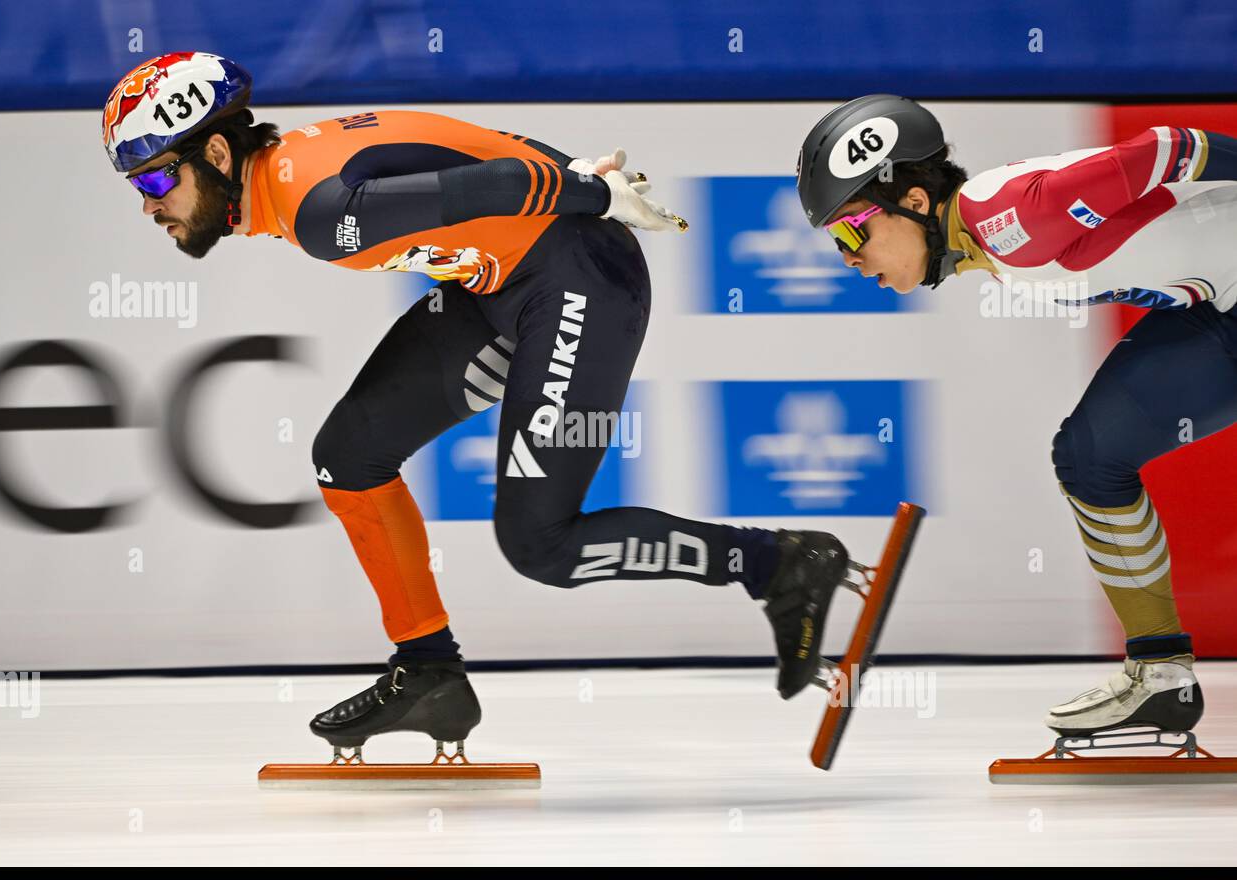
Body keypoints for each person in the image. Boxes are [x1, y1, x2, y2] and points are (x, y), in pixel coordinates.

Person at [104, 51, 855, 757]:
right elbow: (469, 143)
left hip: (577, 275)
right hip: (499, 284)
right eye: (136, 189)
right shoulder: (294, 169)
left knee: (542, 544)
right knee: (348, 457)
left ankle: (777, 563)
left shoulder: (316, 210)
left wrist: (589, 191)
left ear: (218, 155)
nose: (147, 207)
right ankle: (429, 672)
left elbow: (475, 187)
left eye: (155, 182)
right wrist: (568, 169)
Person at [795, 94, 1237, 737]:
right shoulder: (993, 240)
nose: (849, 259)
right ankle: (1161, 677)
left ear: (914, 203)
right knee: (1090, 457)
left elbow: (1168, 147)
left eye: (850, 231)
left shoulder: (1007, 219)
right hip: (1220, 307)